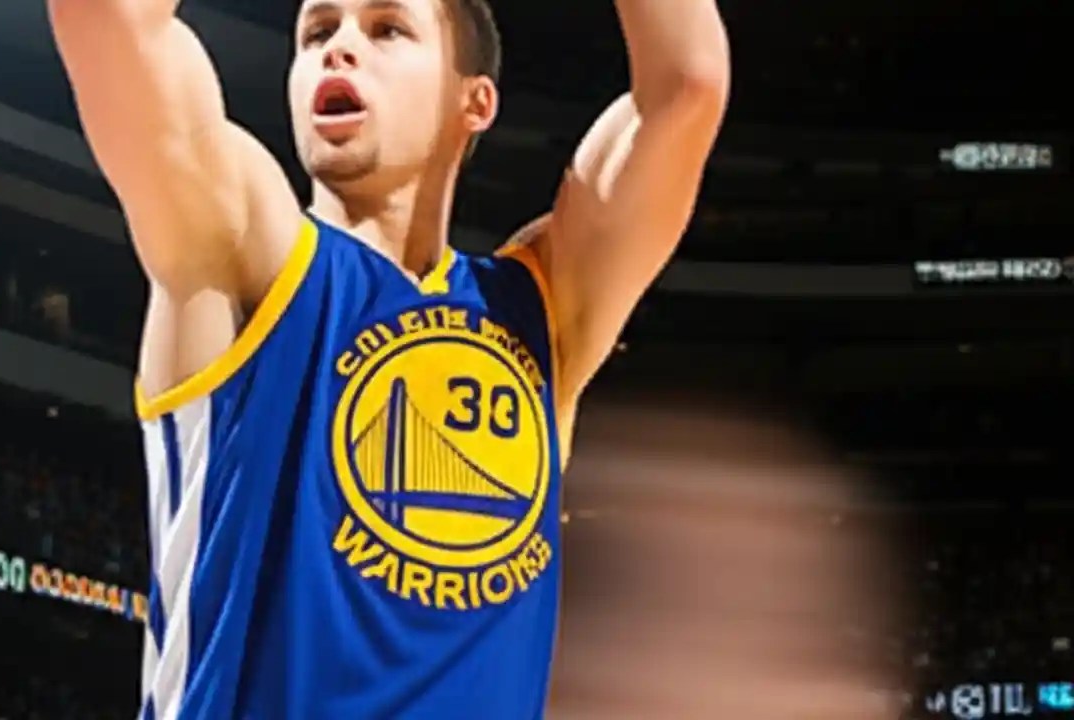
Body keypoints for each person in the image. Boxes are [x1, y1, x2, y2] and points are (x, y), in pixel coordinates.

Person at [48, 0, 728, 716]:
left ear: (475, 102)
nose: (338, 49)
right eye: (316, 32)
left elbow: (689, 86)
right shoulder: (246, 247)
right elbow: (107, 18)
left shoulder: (539, 309)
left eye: (387, 29)